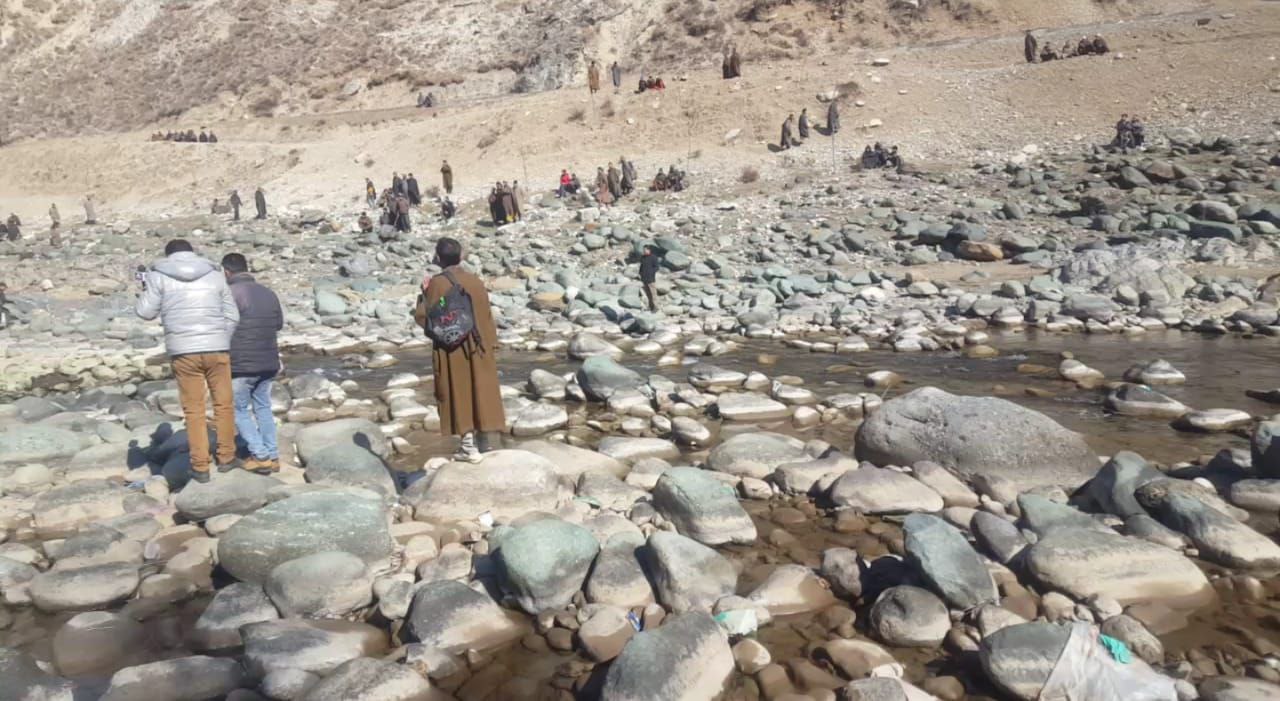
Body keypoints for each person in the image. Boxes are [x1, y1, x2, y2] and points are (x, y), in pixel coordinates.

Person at [136, 239, 240, 483]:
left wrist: (143, 288)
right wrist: (220, 338)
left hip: (183, 351)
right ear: (193, 253)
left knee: (194, 410)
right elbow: (232, 315)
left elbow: (145, 312)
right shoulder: (215, 274)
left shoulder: (158, 275)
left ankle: (200, 467)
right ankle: (226, 457)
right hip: (217, 348)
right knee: (224, 405)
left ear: (168, 255)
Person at [413, 238, 504, 463]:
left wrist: (424, 294)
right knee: (481, 391)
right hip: (480, 345)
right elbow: (486, 315)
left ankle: (468, 447)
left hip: (452, 348)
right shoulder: (475, 281)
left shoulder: (436, 284)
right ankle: (486, 442)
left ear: (438, 258)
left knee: (458, 392)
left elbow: (425, 318)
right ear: (461, 256)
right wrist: (491, 342)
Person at [221, 253, 283, 475]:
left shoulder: (229, 294)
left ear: (226, 271)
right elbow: (278, 324)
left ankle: (260, 455)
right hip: (268, 360)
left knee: (238, 409)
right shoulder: (268, 293)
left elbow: (223, 328)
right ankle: (273, 455)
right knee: (263, 407)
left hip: (242, 363)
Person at [639, 245, 660, 312]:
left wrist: (651, 273)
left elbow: (657, 267)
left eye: (645, 249)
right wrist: (640, 273)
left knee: (653, 294)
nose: (644, 251)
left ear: (649, 250)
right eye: (643, 250)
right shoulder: (643, 257)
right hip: (644, 279)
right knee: (648, 294)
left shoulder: (653, 257)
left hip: (651, 279)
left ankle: (656, 307)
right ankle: (650, 307)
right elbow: (641, 266)